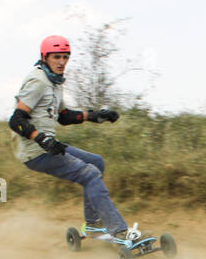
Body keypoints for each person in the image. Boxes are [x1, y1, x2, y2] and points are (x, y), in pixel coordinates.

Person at [8, 35, 129, 239]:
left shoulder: (54, 83)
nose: (62, 62)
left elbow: (64, 117)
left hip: (49, 146)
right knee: (90, 174)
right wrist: (41, 138)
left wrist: (96, 115)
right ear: (45, 57)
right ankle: (119, 231)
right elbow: (16, 120)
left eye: (65, 57)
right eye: (56, 57)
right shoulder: (37, 81)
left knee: (96, 162)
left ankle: (92, 225)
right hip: (36, 152)